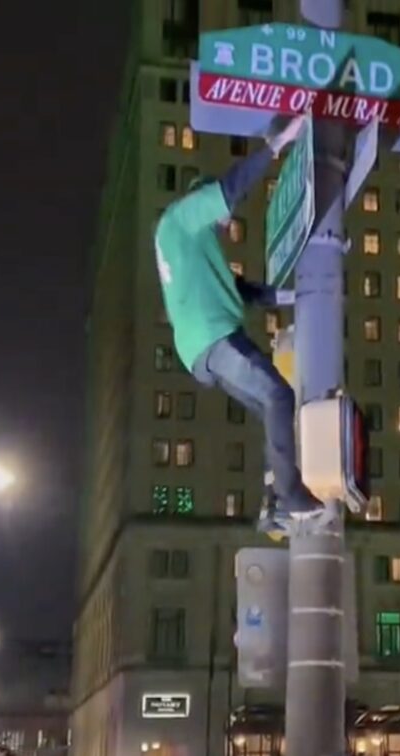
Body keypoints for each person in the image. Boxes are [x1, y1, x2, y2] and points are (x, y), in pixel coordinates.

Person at [152, 113, 322, 529]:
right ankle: (291, 496)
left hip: (202, 353)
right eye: (224, 220)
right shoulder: (181, 219)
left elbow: (244, 290)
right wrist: (275, 147)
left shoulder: (191, 247)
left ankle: (273, 504)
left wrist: (294, 297)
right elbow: (232, 188)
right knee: (280, 397)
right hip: (215, 339)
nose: (228, 226)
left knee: (271, 409)